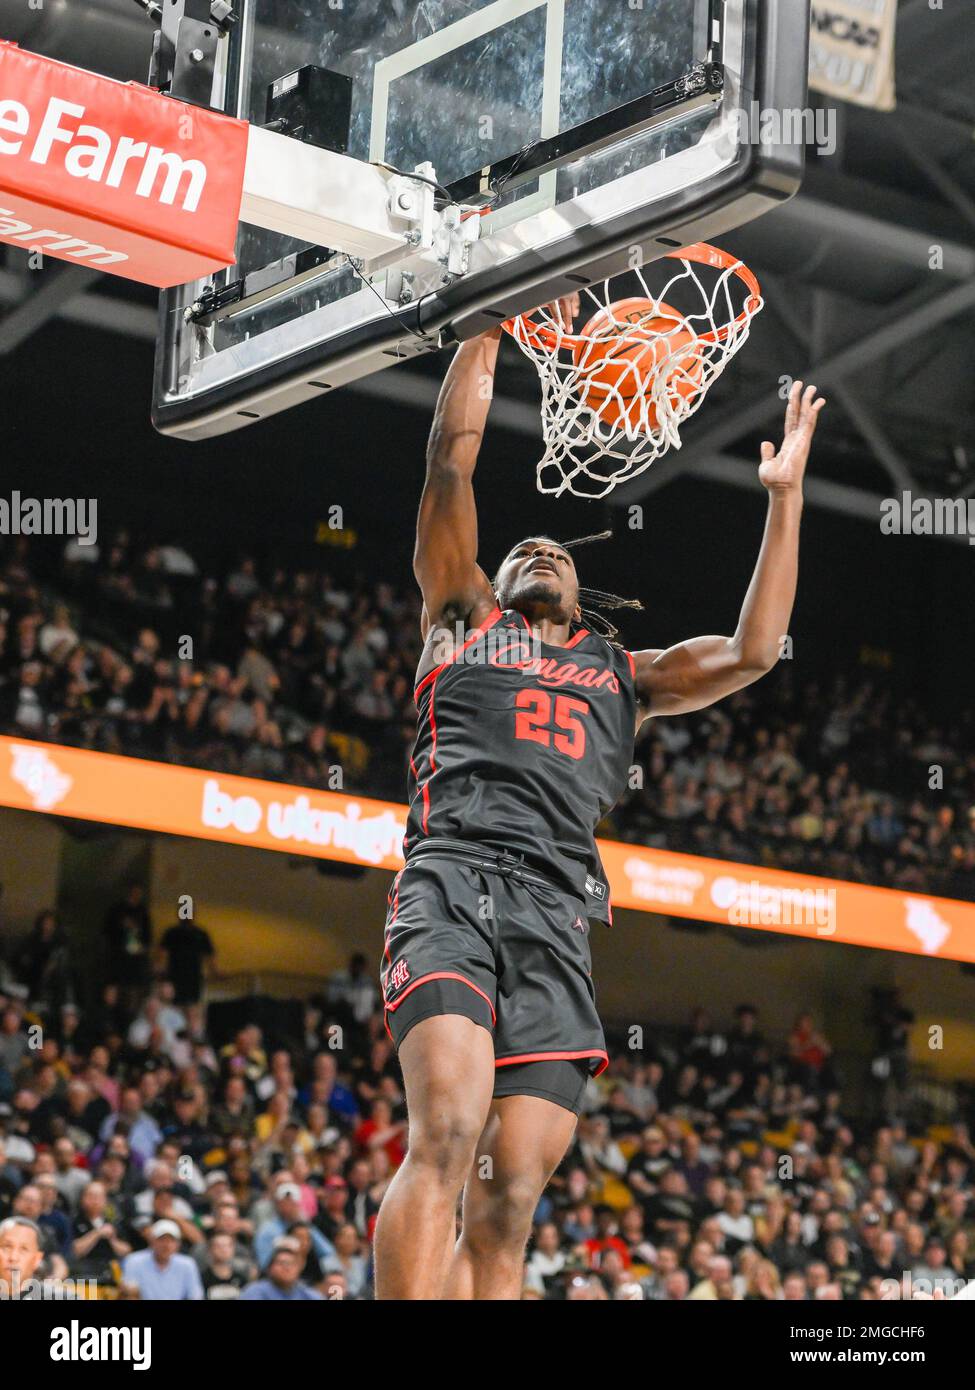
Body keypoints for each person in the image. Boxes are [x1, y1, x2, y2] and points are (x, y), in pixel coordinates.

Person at [373, 306, 826, 1300]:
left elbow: (752, 653)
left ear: (579, 596)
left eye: (560, 556)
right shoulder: (458, 618)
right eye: (523, 550)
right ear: (494, 578)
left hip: (558, 914)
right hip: (452, 881)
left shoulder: (624, 671)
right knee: (446, 1132)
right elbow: (449, 471)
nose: (540, 553)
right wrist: (485, 330)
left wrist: (784, 497)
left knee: (509, 1198)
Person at [121, 1218, 204, 1300]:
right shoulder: (133, 1261)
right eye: (162, 1239)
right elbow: (129, 1293)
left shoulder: (187, 1264)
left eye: (171, 1240)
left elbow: (195, 1295)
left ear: (178, 1244)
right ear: (152, 1241)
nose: (166, 1245)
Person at [239, 1236, 323, 1301]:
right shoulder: (255, 1292)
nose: (286, 1268)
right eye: (281, 1263)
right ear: (270, 1268)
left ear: (299, 1269)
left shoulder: (306, 1294)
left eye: (291, 1264)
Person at [158, 916, 215, 1006]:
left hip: (193, 976)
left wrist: (213, 972)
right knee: (175, 1005)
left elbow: (209, 955)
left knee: (192, 1006)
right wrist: (161, 971)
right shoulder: (171, 933)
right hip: (175, 975)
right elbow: (162, 954)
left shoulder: (200, 933)